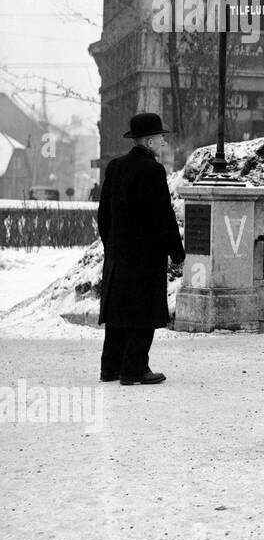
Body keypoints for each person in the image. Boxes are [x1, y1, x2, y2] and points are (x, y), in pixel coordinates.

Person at [97, 112, 185, 385]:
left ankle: (110, 367)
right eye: (160, 138)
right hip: (145, 256)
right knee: (142, 312)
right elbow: (163, 216)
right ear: (148, 141)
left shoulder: (114, 167)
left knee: (118, 312)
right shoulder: (153, 170)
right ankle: (134, 369)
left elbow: (103, 214)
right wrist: (176, 252)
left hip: (118, 254)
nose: (163, 143)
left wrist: (111, 245)